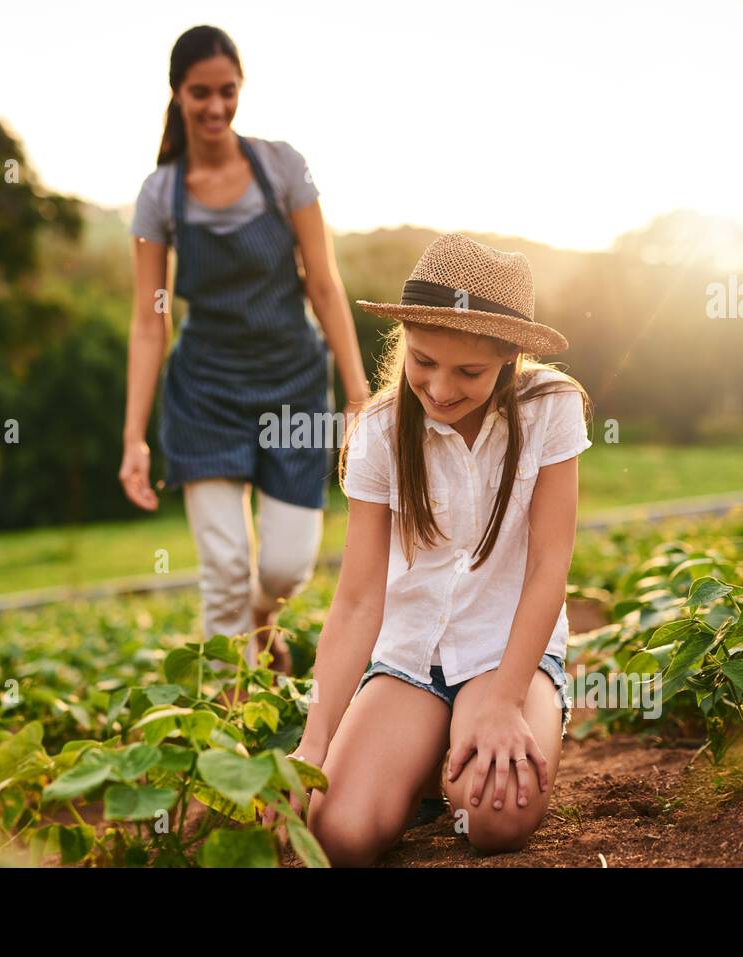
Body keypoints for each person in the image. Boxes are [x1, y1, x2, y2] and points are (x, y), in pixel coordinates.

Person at [271, 233, 593, 866]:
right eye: (423, 362)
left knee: (495, 816)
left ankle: (498, 726)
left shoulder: (550, 407)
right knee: (339, 838)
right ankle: (423, 765)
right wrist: (315, 741)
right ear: (404, 345)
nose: (440, 389)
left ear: (509, 357)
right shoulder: (380, 432)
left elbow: (549, 567)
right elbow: (360, 599)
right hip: (412, 659)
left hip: (505, 655)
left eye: (468, 371)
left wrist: (502, 700)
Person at [122, 26, 370, 675]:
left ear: (240, 90)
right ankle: (232, 728)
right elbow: (150, 320)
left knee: (286, 567)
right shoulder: (160, 195)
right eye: (199, 93)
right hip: (204, 396)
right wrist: (133, 438)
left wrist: (357, 393)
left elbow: (323, 282)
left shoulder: (282, 167)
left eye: (226, 91)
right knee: (225, 569)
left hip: (292, 385)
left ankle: (265, 620)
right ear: (177, 94)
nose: (214, 107)